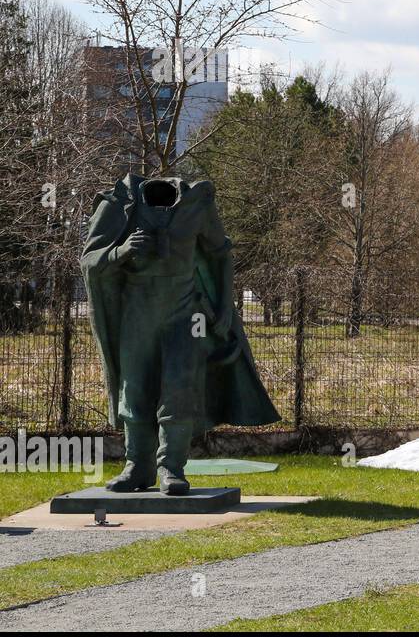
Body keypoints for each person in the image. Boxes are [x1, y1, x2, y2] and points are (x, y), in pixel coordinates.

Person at [82, 175, 279, 494]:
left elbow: (220, 252)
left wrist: (225, 307)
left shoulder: (196, 205)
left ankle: (171, 468)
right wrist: (123, 251)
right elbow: (90, 261)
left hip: (186, 315)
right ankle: (137, 467)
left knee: (179, 388)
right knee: (134, 388)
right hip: (137, 312)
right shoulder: (120, 203)